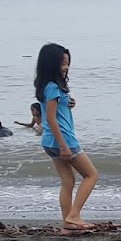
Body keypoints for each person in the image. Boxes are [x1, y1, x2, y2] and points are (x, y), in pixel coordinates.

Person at [35, 42, 101, 230]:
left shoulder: (47, 86)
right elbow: (51, 117)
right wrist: (64, 145)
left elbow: (53, 109)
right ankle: (74, 215)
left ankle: (67, 221)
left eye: (67, 63)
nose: (65, 68)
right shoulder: (54, 88)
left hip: (48, 141)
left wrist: (69, 102)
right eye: (62, 63)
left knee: (68, 181)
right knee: (91, 175)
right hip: (63, 139)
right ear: (50, 64)